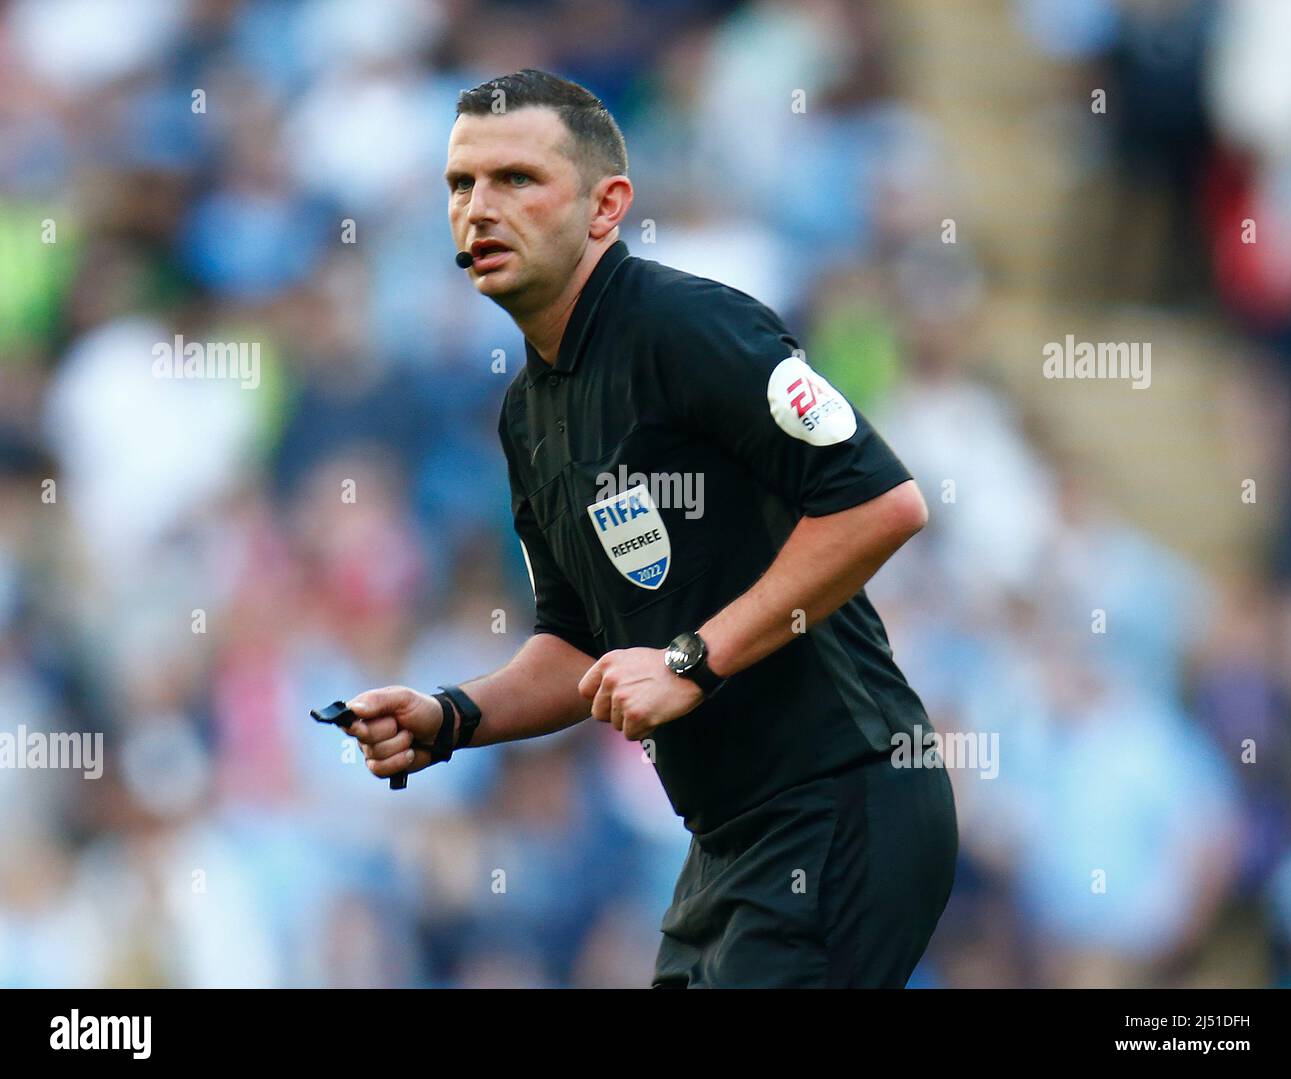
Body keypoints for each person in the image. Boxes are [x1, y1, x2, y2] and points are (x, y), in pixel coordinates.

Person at [344, 68, 958, 988]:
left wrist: (690, 661)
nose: (478, 207)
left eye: (516, 179)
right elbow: (576, 644)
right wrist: (451, 717)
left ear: (606, 207)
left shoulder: (688, 326)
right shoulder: (527, 414)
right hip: (727, 844)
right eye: (460, 184)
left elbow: (879, 502)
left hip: (844, 798)